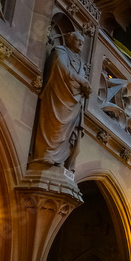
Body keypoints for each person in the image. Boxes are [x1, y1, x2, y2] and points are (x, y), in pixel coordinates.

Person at [30, 31, 91, 170]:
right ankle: (47, 155)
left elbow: (80, 81)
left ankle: (61, 162)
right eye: (78, 40)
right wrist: (81, 81)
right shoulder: (60, 51)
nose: (81, 44)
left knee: (74, 143)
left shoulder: (80, 62)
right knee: (55, 129)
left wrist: (85, 88)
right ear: (69, 40)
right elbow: (61, 70)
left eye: (83, 42)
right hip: (58, 98)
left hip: (74, 104)